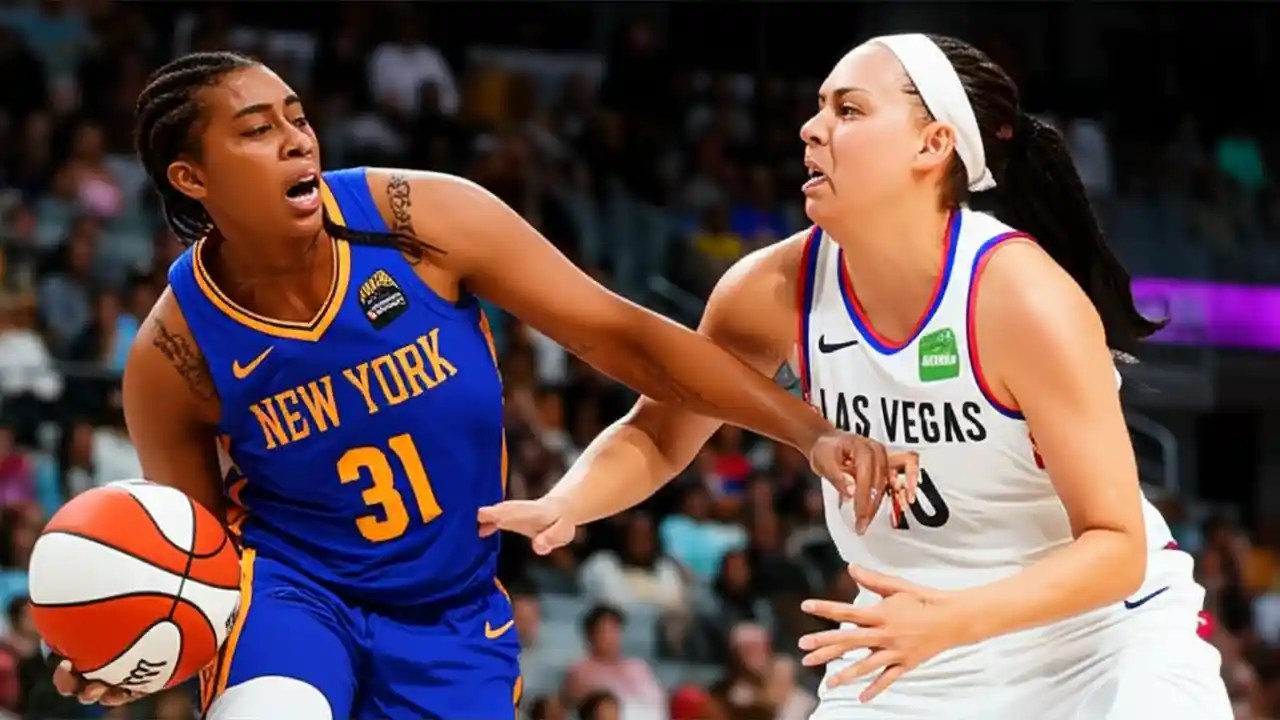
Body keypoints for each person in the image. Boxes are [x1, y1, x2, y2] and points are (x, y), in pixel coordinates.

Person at [47, 51, 906, 720]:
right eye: (256, 129)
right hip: (296, 590)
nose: (298, 139)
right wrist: (142, 640)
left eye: (297, 118)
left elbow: (624, 336)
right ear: (193, 179)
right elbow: (196, 562)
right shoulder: (174, 356)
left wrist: (806, 429)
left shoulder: (421, 223)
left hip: (452, 609)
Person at [480, 33, 1233, 719]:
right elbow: (661, 429)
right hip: (913, 654)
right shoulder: (771, 290)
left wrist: (953, 617)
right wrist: (567, 502)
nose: (811, 129)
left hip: (1101, 643)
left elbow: (1114, 544)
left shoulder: (1022, 300)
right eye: (817, 109)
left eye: (848, 109)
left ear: (932, 144)